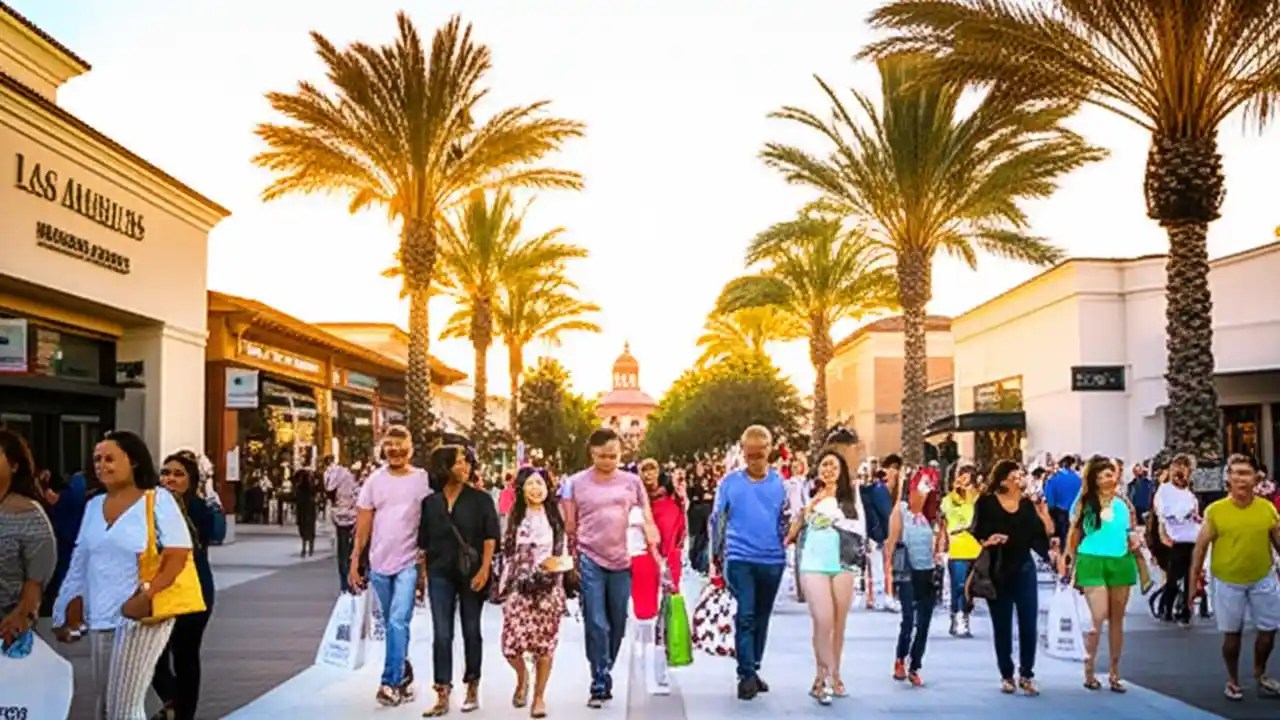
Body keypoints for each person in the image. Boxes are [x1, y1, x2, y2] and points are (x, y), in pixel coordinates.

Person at [52, 430, 194, 719]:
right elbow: (80, 560)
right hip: (102, 615)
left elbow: (178, 556)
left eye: (109, 458)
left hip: (143, 614)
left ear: (134, 462)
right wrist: (63, 609)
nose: (101, 465)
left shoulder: (159, 501)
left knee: (123, 709)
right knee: (105, 707)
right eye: (97, 459)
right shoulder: (93, 506)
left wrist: (147, 594)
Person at [560, 428, 658, 708]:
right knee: (596, 621)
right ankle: (599, 677)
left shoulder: (632, 482)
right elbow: (569, 525)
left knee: (617, 621)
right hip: (590, 555)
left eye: (614, 455)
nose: (609, 460)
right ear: (592, 453)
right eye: (603, 456)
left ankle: (606, 663)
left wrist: (655, 554)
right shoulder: (575, 483)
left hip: (624, 558)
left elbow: (646, 518)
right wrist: (571, 559)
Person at [348, 426, 432, 707]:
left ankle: (389, 683)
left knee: (398, 620)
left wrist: (427, 563)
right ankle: (404, 674)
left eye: (401, 445)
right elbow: (363, 523)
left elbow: (433, 518)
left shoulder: (422, 480)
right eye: (390, 445)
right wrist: (354, 561)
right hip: (379, 563)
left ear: (411, 448)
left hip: (409, 561)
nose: (395, 451)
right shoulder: (374, 481)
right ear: (383, 448)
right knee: (393, 624)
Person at [1189, 453, 1280, 701]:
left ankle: (1260, 673)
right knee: (1232, 635)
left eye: (1245, 473)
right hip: (1228, 580)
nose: (1240, 478)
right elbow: (1200, 548)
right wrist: (1193, 583)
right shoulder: (1216, 511)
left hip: (1263, 576)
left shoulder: (1267, 508)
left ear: (1255, 478)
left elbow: (1278, 541)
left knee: (1269, 630)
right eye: (1235, 473)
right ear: (1228, 478)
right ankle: (1233, 680)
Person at [418, 444, 500, 716]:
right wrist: (423, 578)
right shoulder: (430, 503)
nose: (464, 467)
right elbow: (424, 543)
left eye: (466, 462)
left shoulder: (481, 499)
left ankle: (472, 685)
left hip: (471, 573)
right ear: (444, 467)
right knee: (441, 633)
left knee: (471, 630)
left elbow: (491, 538)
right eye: (458, 463)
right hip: (440, 572)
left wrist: (484, 570)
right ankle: (442, 691)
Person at [711, 425, 788, 701]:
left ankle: (754, 667)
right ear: (742, 453)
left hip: (772, 560)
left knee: (762, 616)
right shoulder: (730, 483)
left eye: (759, 454)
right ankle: (745, 675)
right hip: (739, 558)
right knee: (745, 614)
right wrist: (715, 556)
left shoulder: (780, 484)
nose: (754, 460)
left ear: (770, 451)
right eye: (749, 454)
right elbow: (717, 520)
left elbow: (786, 519)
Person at [786, 448, 862, 704]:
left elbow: (859, 528)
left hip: (843, 561)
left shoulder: (851, 498)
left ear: (841, 471)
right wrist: (808, 510)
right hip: (814, 561)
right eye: (824, 465)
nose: (828, 469)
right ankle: (825, 675)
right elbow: (794, 529)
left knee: (838, 623)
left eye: (833, 465)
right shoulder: (808, 494)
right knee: (823, 619)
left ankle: (830, 675)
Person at [972, 459, 1053, 696]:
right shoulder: (987, 503)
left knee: (1029, 624)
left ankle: (1026, 673)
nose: (1021, 479)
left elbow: (1042, 534)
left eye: (1022, 476)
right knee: (1002, 625)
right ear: (1004, 479)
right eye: (1016, 476)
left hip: (1024, 567)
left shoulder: (1028, 505)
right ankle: (1007, 674)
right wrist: (990, 539)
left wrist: (1043, 514)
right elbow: (977, 531)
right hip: (998, 567)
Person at [151, 451, 219, 720]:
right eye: (166, 473)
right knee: (154, 655)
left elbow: (213, 533)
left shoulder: (199, 508)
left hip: (194, 590)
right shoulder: (150, 507)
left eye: (178, 474)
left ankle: (183, 714)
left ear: (191, 480)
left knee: (186, 656)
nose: (170, 479)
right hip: (161, 591)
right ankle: (173, 703)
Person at [1062, 455, 1139, 693]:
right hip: (1091, 560)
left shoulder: (1123, 502)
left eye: (1112, 473)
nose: (1111, 478)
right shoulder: (1085, 501)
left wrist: (1135, 538)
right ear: (1094, 479)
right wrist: (1067, 556)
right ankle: (1089, 669)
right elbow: (1074, 531)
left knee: (1117, 618)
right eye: (1105, 474)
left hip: (1120, 559)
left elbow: (1129, 528)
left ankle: (1115, 673)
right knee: (1098, 617)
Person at [496, 467, 568, 719]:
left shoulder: (555, 517)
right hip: (519, 587)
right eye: (530, 484)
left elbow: (561, 552)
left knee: (544, 647)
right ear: (522, 488)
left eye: (540, 483)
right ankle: (522, 676)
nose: (536, 488)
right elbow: (506, 553)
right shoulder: (514, 517)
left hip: (549, 588)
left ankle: (538, 697)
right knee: (510, 646)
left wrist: (554, 574)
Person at [631, 460, 687, 696]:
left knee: (666, 611)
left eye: (653, 469)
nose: (649, 474)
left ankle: (661, 664)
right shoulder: (634, 502)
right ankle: (645, 657)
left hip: (669, 559)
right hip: (643, 558)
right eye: (644, 469)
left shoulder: (671, 499)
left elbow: (681, 529)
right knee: (645, 612)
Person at [0, 430, 56, 657]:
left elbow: (36, 580)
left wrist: (23, 614)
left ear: (14, 466)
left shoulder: (28, 515)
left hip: (7, 629)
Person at [885, 465, 941, 687]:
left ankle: (915, 665)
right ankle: (900, 658)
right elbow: (890, 544)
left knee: (924, 621)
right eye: (922, 484)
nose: (925, 490)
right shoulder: (901, 511)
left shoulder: (931, 515)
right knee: (909, 618)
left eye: (929, 485)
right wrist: (889, 579)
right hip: (906, 571)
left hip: (927, 571)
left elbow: (937, 544)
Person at [1155, 453, 1201, 626]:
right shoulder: (1165, 490)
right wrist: (1181, 515)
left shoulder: (1190, 493)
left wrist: (1196, 518)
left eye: (1185, 467)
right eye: (1177, 466)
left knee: (1191, 577)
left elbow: (1194, 512)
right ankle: (1165, 607)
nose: (1180, 471)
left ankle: (1186, 610)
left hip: (1192, 537)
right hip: (1175, 539)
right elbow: (1164, 512)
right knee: (1174, 577)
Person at [939, 463, 980, 637]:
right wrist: (940, 548)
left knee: (971, 589)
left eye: (968, 480)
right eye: (960, 478)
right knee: (959, 586)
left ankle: (965, 615)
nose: (963, 484)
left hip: (977, 549)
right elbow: (944, 525)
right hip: (957, 548)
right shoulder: (949, 500)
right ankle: (958, 617)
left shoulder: (979, 500)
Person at [325, 458, 360, 594]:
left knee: (342, 550)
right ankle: (352, 580)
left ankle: (344, 583)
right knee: (352, 550)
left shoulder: (332, 478)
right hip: (352, 516)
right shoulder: (349, 479)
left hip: (339, 516)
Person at [1044, 455, 1082, 547]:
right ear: (1072, 465)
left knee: (1060, 538)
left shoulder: (1053, 479)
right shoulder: (1079, 479)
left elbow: (1049, 498)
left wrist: (1051, 510)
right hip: (1076, 512)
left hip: (1059, 511)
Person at [293, 468, 318, 557]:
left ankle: (304, 549)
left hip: (302, 510)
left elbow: (296, 499)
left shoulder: (299, 488)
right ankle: (311, 548)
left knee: (303, 530)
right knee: (310, 530)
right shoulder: (311, 488)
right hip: (310, 510)